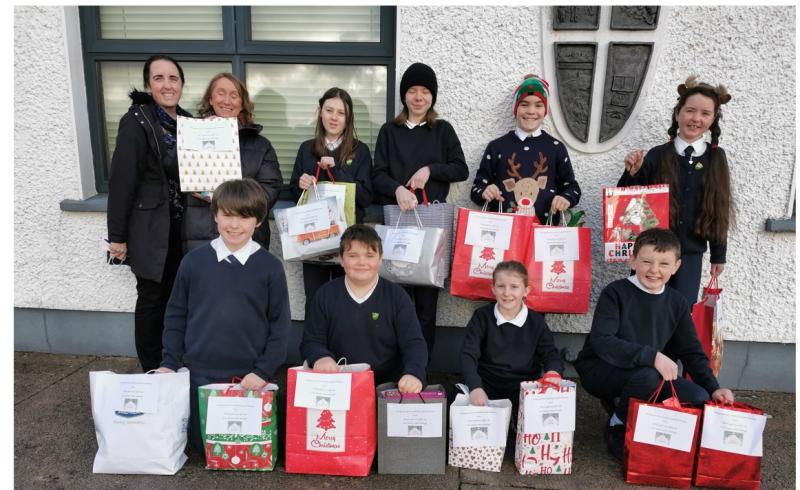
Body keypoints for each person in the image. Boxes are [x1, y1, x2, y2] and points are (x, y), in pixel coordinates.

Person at [574, 228, 734, 462]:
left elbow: (691, 351)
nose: (654, 270)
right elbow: (602, 342)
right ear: (633, 261)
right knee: (648, 376)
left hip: (645, 372)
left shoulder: (677, 302)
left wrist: (713, 388)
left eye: (664, 264)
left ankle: (643, 420)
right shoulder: (615, 293)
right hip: (601, 369)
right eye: (647, 261)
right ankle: (617, 425)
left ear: (676, 266)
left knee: (698, 397)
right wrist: (653, 356)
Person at [157, 179, 291, 453]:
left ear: (258, 221)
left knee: (246, 450)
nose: (234, 225)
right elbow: (176, 315)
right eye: (227, 215)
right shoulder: (193, 262)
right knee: (203, 448)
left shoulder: (270, 267)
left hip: (250, 378)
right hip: (201, 375)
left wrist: (263, 371)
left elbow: (280, 324)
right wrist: (170, 361)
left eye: (244, 217)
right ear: (215, 215)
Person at [371, 62, 468, 362]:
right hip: (399, 225)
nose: (418, 97)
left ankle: (420, 369)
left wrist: (430, 170)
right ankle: (395, 367)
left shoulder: (442, 130)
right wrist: (397, 189)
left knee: (427, 305)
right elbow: (377, 174)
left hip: (430, 226)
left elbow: (461, 169)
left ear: (432, 96)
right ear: (404, 95)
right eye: (412, 90)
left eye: (425, 91)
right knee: (396, 299)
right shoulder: (390, 131)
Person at [107, 55, 193, 372]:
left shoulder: (188, 122)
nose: (167, 85)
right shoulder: (136, 121)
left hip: (183, 227)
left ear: (181, 84)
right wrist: (117, 237)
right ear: (148, 84)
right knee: (152, 298)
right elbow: (121, 182)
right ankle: (152, 368)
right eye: (159, 78)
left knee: (177, 298)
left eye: (173, 78)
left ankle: (172, 361)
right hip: (150, 230)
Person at [618, 75, 733, 304]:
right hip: (651, 252)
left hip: (690, 254)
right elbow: (626, 201)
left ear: (713, 119)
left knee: (681, 309)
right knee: (643, 307)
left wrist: (718, 255)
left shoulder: (715, 158)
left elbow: (719, 209)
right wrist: (632, 173)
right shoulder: (657, 154)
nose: (696, 118)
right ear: (678, 113)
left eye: (705, 113)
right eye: (690, 111)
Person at [300, 225, 428, 393]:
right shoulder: (325, 295)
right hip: (337, 384)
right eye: (353, 256)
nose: (362, 262)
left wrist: (414, 373)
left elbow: (413, 343)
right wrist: (320, 357)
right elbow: (311, 340)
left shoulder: (397, 296)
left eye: (370, 256)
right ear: (341, 259)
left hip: (388, 387)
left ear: (380, 259)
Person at [289, 87, 373, 322]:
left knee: (345, 299)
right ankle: (314, 346)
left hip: (347, 240)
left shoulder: (360, 151)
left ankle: (344, 345)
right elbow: (294, 191)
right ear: (320, 112)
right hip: (313, 238)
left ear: (348, 118)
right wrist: (301, 184)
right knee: (314, 299)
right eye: (329, 110)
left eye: (341, 113)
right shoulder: (307, 148)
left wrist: (336, 171)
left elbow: (366, 197)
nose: (334, 117)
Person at [184, 72, 282, 251]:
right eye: (221, 93)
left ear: (242, 103)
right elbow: (174, 171)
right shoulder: (190, 135)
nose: (227, 101)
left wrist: (229, 202)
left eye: (234, 95)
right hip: (200, 235)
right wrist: (198, 134)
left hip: (247, 238)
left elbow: (270, 189)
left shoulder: (260, 145)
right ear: (210, 99)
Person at [470, 74, 581, 224]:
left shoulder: (556, 148)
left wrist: (566, 198)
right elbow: (476, 189)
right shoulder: (497, 147)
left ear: (545, 110)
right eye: (524, 104)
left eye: (538, 105)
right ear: (515, 109)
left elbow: (572, 187)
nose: (531, 111)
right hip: (503, 232)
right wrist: (485, 192)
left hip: (543, 232)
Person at [460, 261, 563, 420]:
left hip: (523, 386)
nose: (507, 293)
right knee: (458, 407)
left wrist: (553, 371)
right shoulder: (482, 317)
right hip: (486, 384)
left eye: (514, 287)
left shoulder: (536, 322)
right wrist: (474, 386)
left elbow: (551, 354)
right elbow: (468, 354)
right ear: (493, 289)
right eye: (501, 286)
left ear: (526, 290)